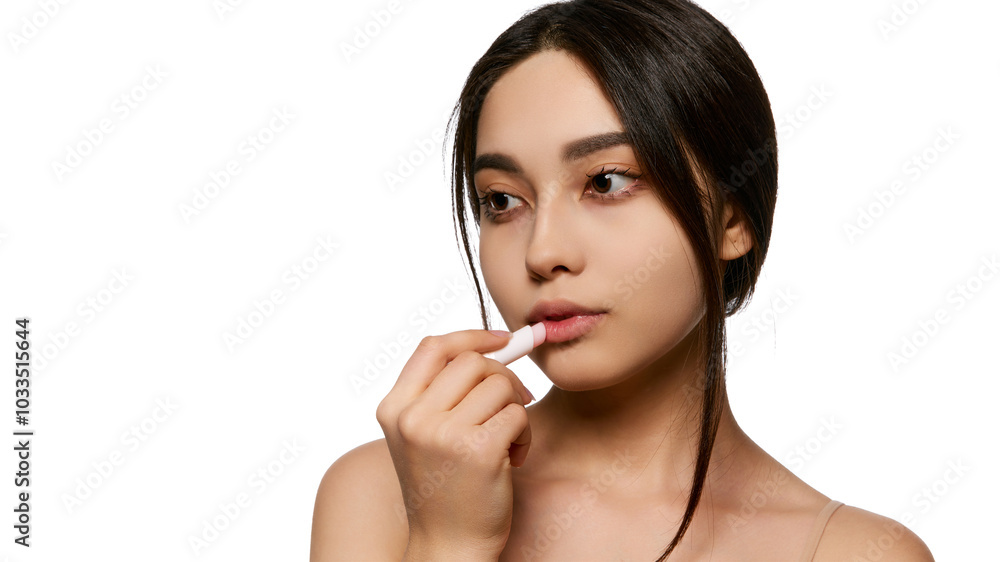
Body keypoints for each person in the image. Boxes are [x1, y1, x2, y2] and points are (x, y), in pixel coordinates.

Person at [310, 1, 935, 560]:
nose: (543, 251)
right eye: (502, 200)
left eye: (605, 182)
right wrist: (450, 543)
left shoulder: (853, 552)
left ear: (733, 219)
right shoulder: (382, 496)